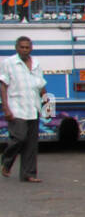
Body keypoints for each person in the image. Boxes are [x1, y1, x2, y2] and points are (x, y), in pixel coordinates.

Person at [0, 35, 48, 183]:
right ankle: (6, 161)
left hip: (33, 107)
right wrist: (5, 108)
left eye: (27, 47)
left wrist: (47, 106)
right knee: (19, 138)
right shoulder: (8, 63)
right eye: (22, 47)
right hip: (16, 107)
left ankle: (29, 174)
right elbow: (3, 85)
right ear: (16, 48)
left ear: (31, 48)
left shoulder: (35, 63)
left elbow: (41, 85)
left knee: (31, 144)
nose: (25, 50)